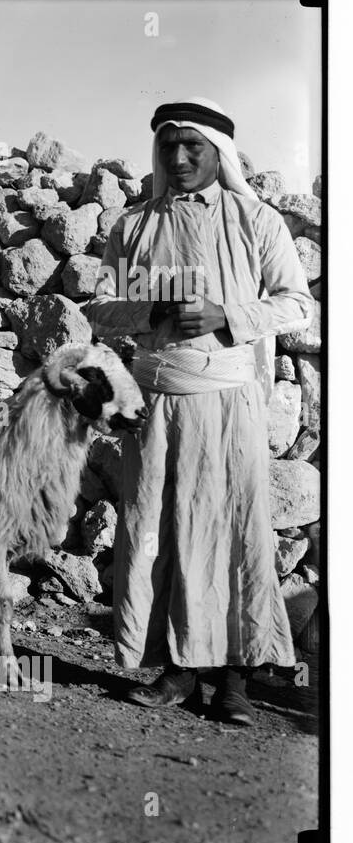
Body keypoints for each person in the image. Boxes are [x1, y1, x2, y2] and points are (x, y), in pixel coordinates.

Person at [87, 97, 313, 726]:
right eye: (169, 147)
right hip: (155, 399)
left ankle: (235, 679)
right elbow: (100, 307)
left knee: (232, 528)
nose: (180, 158)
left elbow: (299, 306)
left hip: (229, 402)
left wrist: (228, 317)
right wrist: (149, 314)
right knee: (160, 529)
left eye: (194, 147)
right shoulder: (132, 227)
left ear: (221, 154)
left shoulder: (256, 221)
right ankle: (178, 668)